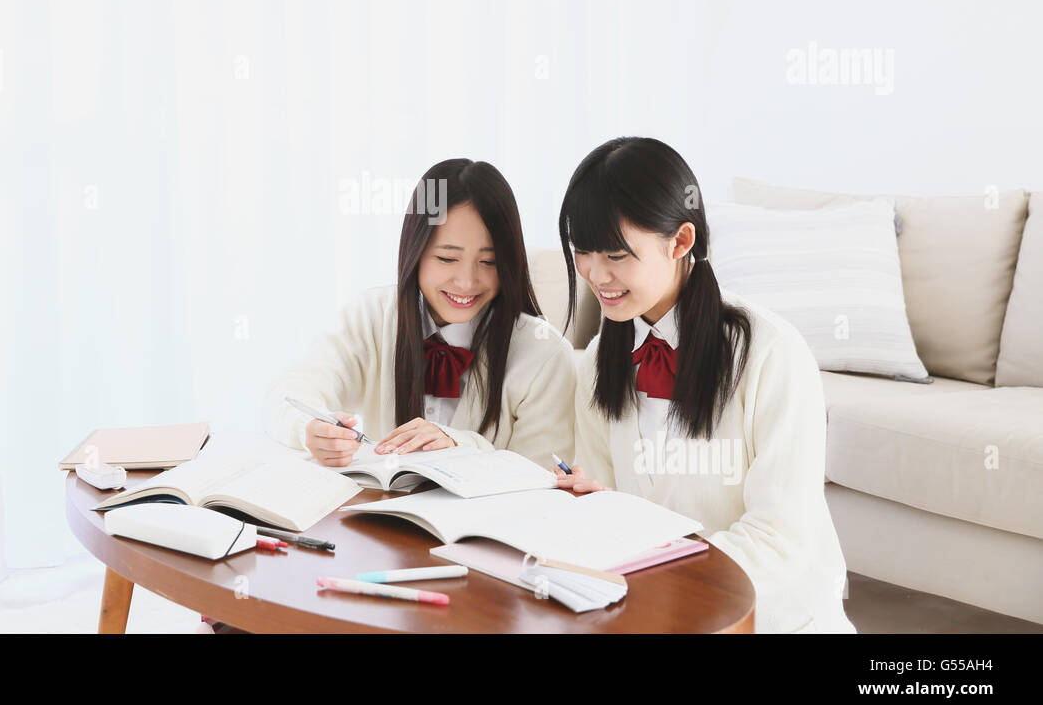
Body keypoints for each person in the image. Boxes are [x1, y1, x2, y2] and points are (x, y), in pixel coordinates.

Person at [554, 136, 856, 633]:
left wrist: (651, 567)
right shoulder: (597, 363)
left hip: (769, 620)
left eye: (616, 254)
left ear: (680, 242)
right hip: (656, 614)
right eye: (581, 251)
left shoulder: (771, 354)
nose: (595, 273)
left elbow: (781, 538)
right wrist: (598, 506)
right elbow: (615, 513)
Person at [263, 157, 574, 469]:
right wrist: (311, 429)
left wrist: (460, 446)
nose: (467, 282)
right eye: (447, 259)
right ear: (415, 250)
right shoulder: (372, 317)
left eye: (489, 262)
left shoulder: (545, 355)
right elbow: (291, 391)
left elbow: (542, 476)